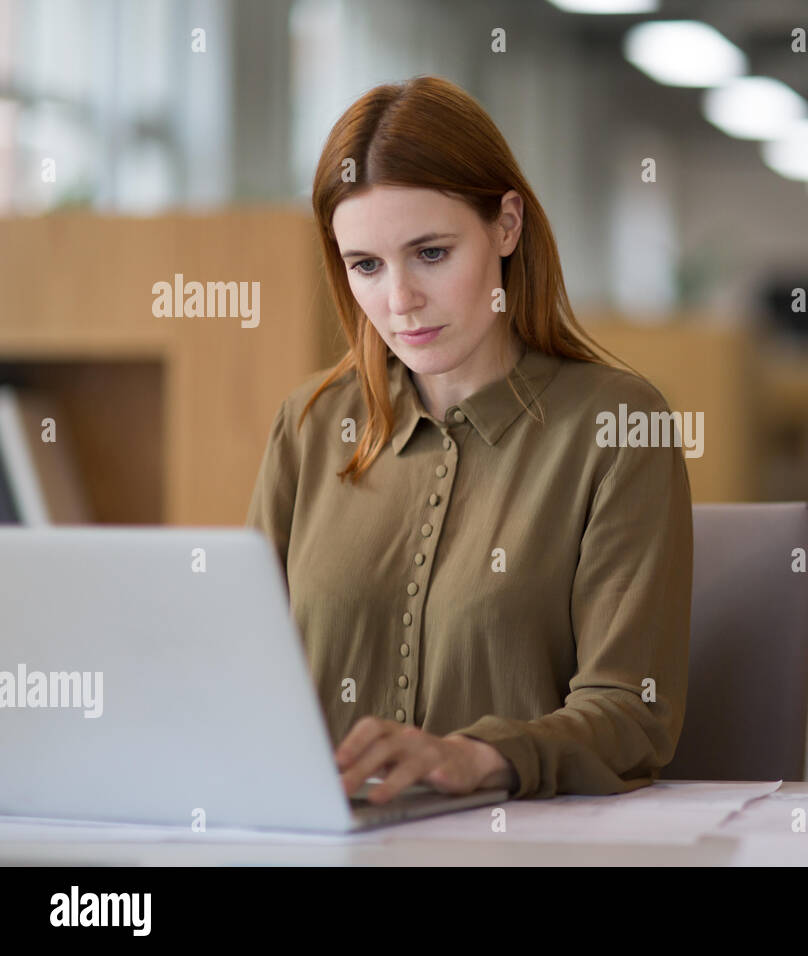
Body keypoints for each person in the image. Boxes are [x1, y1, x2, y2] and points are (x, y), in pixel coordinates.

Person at [245, 75, 693, 802]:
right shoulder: (309, 425)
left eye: (431, 253)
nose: (399, 301)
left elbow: (631, 712)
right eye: (366, 265)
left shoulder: (618, 428)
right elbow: (242, 670)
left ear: (506, 225)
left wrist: (476, 757)